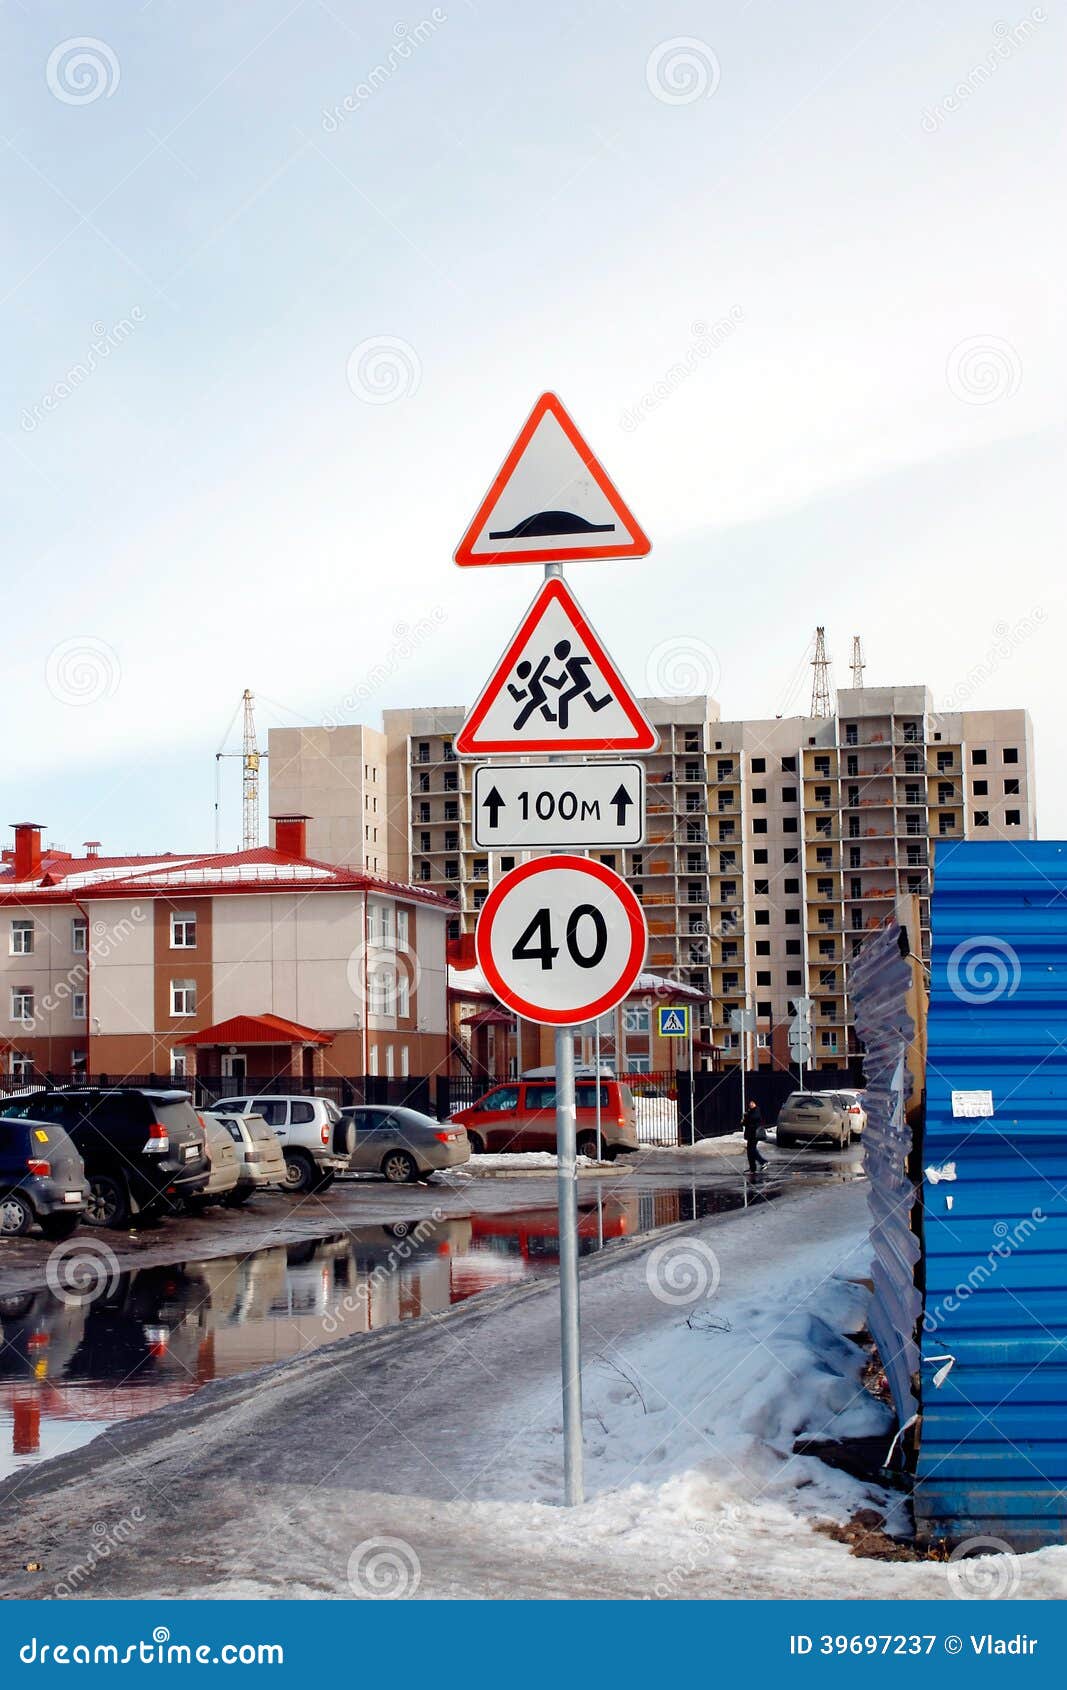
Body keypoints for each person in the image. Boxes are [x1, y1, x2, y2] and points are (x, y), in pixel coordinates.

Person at [743, 1099, 767, 1174]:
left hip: (755, 1134)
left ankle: (763, 1162)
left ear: (755, 1104)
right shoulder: (749, 1112)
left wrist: (747, 1117)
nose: (751, 1104)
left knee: (752, 1150)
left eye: (752, 1103)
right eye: (750, 1103)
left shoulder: (756, 1111)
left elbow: (753, 1119)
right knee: (750, 1151)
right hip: (750, 1134)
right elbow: (745, 1123)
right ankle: (752, 1168)